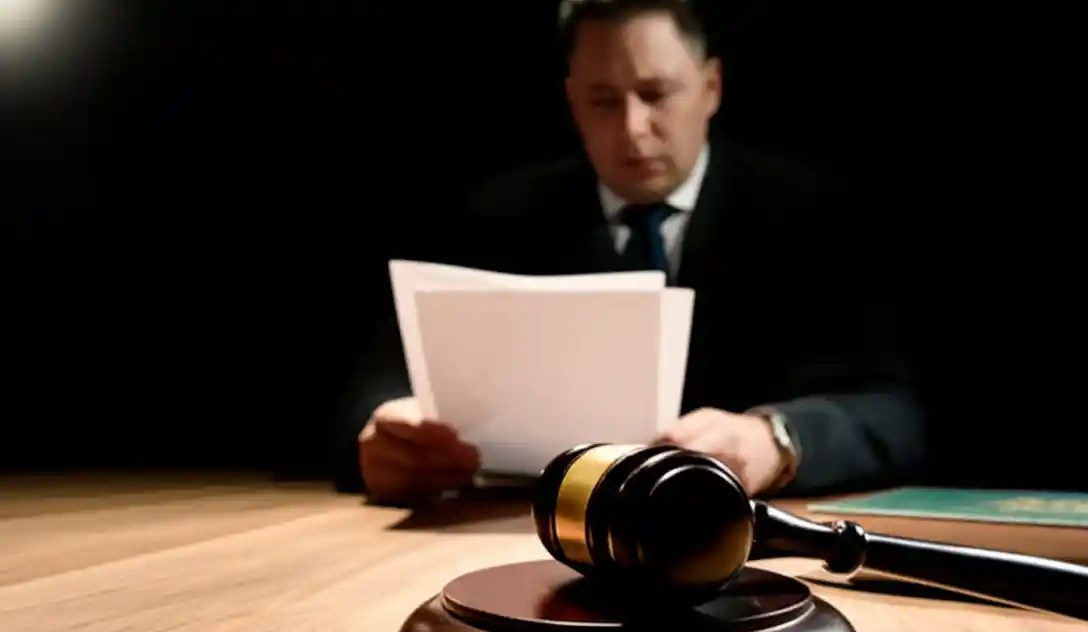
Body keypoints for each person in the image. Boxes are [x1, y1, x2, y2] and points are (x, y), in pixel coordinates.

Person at [338, 0, 924, 506]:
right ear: (571, 101)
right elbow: (377, 383)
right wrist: (386, 433)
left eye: (656, 94)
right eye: (602, 101)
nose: (633, 128)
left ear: (711, 88)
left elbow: (896, 414)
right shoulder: (501, 216)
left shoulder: (803, 213)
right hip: (524, 535)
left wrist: (777, 440)